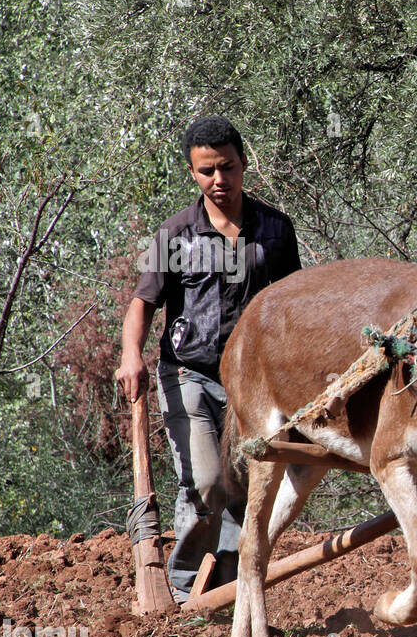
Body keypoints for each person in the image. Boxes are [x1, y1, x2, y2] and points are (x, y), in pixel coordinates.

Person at [115, 116, 301, 603]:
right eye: (206, 171)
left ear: (243, 163)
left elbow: (293, 304)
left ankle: (230, 590)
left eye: (228, 167)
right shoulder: (175, 235)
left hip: (254, 383)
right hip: (188, 372)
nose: (219, 181)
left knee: (246, 487)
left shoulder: (276, 232)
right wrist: (130, 354)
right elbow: (142, 303)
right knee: (206, 484)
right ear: (193, 173)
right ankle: (180, 588)